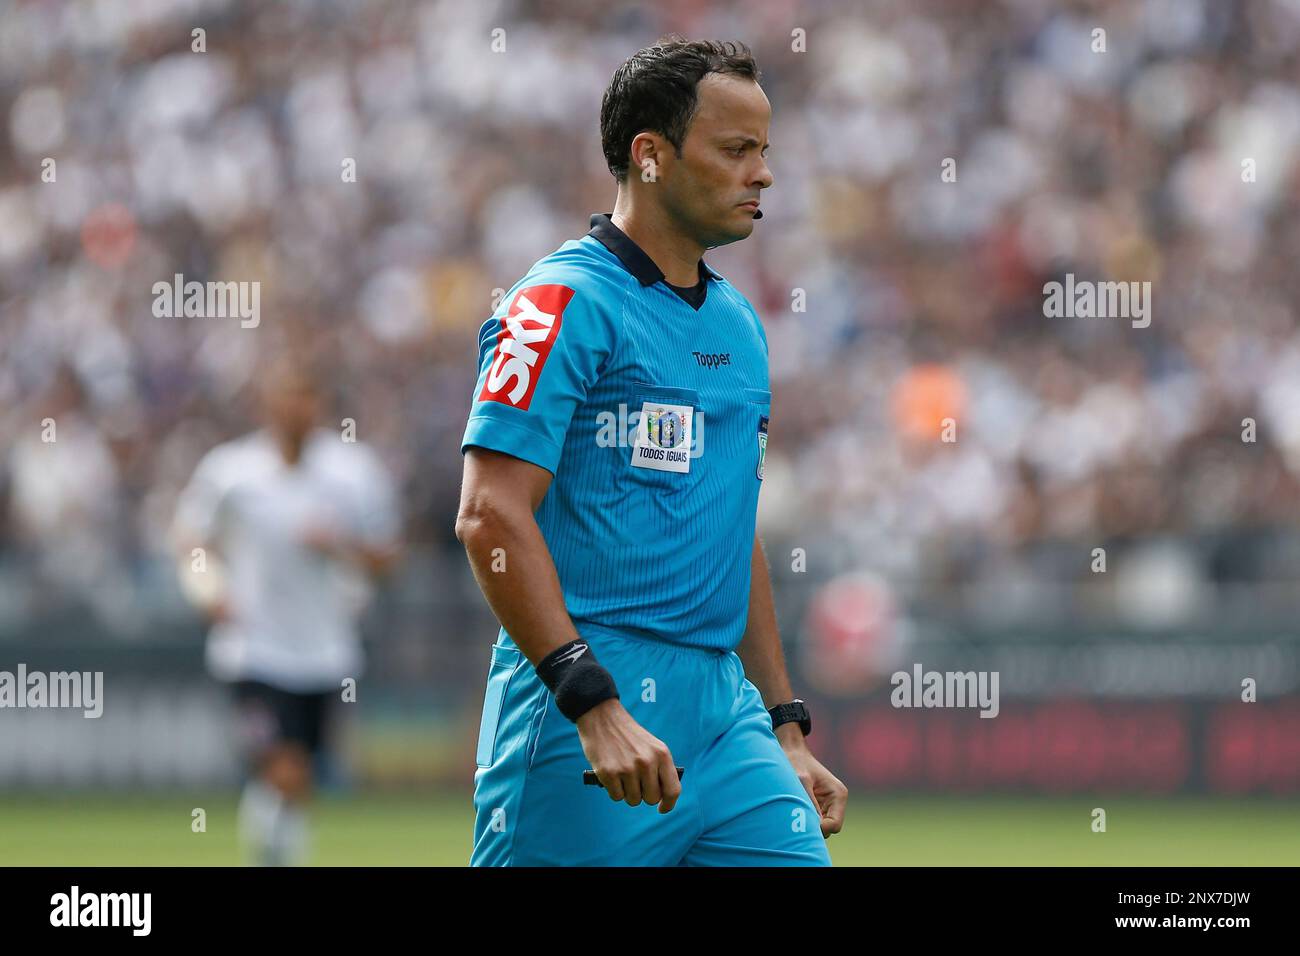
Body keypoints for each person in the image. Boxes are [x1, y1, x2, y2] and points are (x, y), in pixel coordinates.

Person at [456, 37, 847, 866]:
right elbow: (487, 513)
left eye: (765, 152)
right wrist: (588, 699)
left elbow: (732, 529)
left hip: (723, 712)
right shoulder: (562, 302)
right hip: (589, 699)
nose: (764, 174)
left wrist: (784, 724)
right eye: (737, 150)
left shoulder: (739, 324)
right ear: (651, 156)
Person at [172, 357, 400, 865]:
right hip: (253, 651)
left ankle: (269, 842)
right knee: (285, 768)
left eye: (306, 397)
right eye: (286, 396)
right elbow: (190, 540)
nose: (295, 408)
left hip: (326, 653)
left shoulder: (353, 473)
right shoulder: (230, 472)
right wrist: (206, 587)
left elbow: (389, 556)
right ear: (267, 405)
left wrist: (339, 545)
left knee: (300, 777)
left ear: (318, 406)